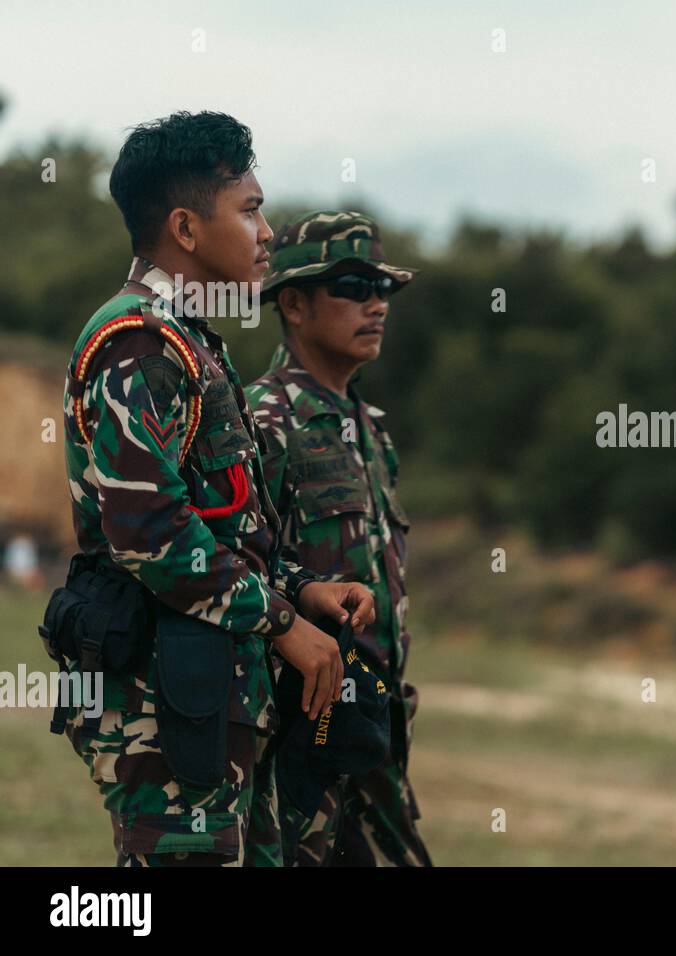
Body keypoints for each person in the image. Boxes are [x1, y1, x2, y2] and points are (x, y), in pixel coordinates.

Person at [51, 112, 373, 866]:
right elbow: (147, 528)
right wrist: (282, 622)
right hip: (161, 710)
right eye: (251, 211)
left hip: (214, 696)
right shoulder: (138, 341)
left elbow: (222, 522)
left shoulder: (193, 343)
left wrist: (302, 588)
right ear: (187, 229)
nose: (268, 234)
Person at [248, 211, 432, 866]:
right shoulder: (260, 421)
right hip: (296, 733)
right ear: (294, 304)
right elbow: (230, 571)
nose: (376, 304)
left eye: (381, 289)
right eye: (353, 286)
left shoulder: (370, 429)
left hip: (372, 726)